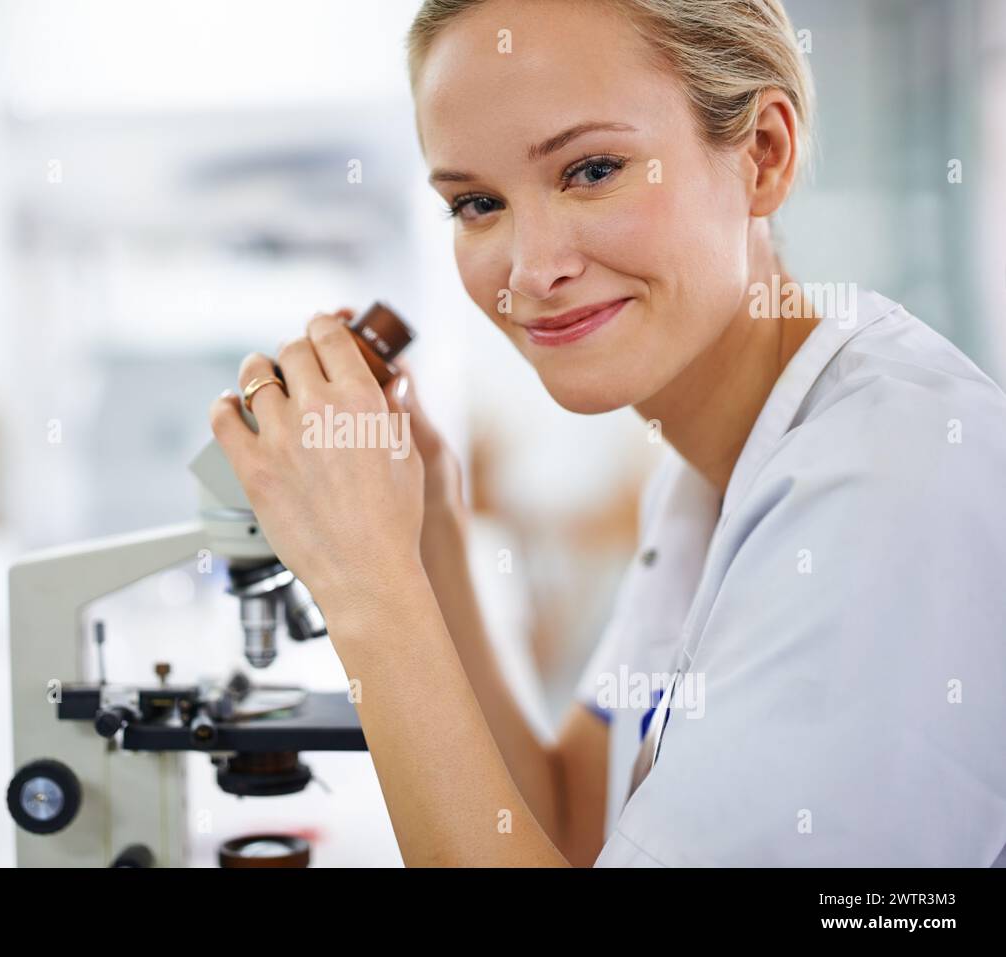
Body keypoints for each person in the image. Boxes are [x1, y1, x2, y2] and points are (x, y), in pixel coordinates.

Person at [208, 0, 1006, 866]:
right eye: (477, 202)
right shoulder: (714, 468)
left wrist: (365, 582)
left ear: (763, 156)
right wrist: (428, 520)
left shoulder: (887, 482)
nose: (529, 268)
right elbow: (567, 821)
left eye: (591, 170)